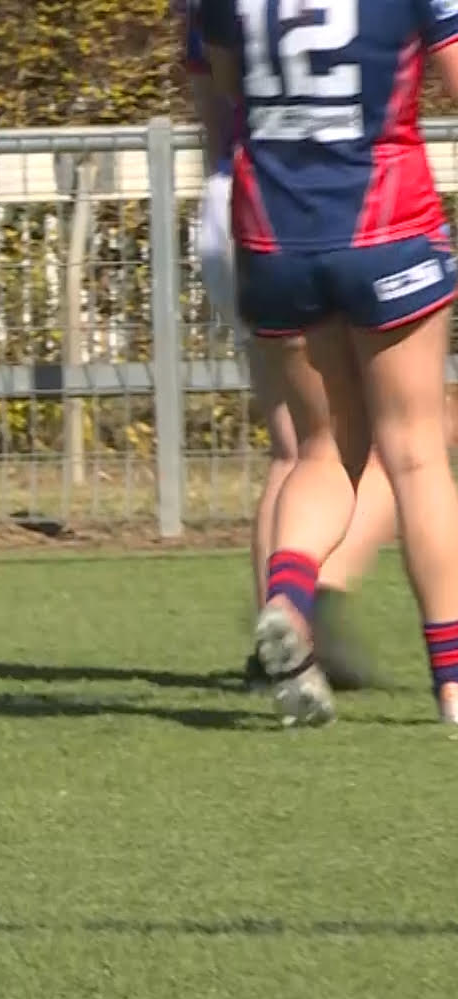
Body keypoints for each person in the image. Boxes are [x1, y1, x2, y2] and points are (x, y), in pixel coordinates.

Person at [198, 0, 458, 724]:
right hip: (386, 222)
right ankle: (454, 684)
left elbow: (222, 86)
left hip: (274, 237)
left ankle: (287, 596)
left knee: (322, 449)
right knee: (416, 454)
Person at [177, 0, 386, 691]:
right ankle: (309, 607)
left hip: (233, 199)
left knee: (297, 445)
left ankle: (284, 631)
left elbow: (216, 109)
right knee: (387, 438)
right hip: (310, 205)